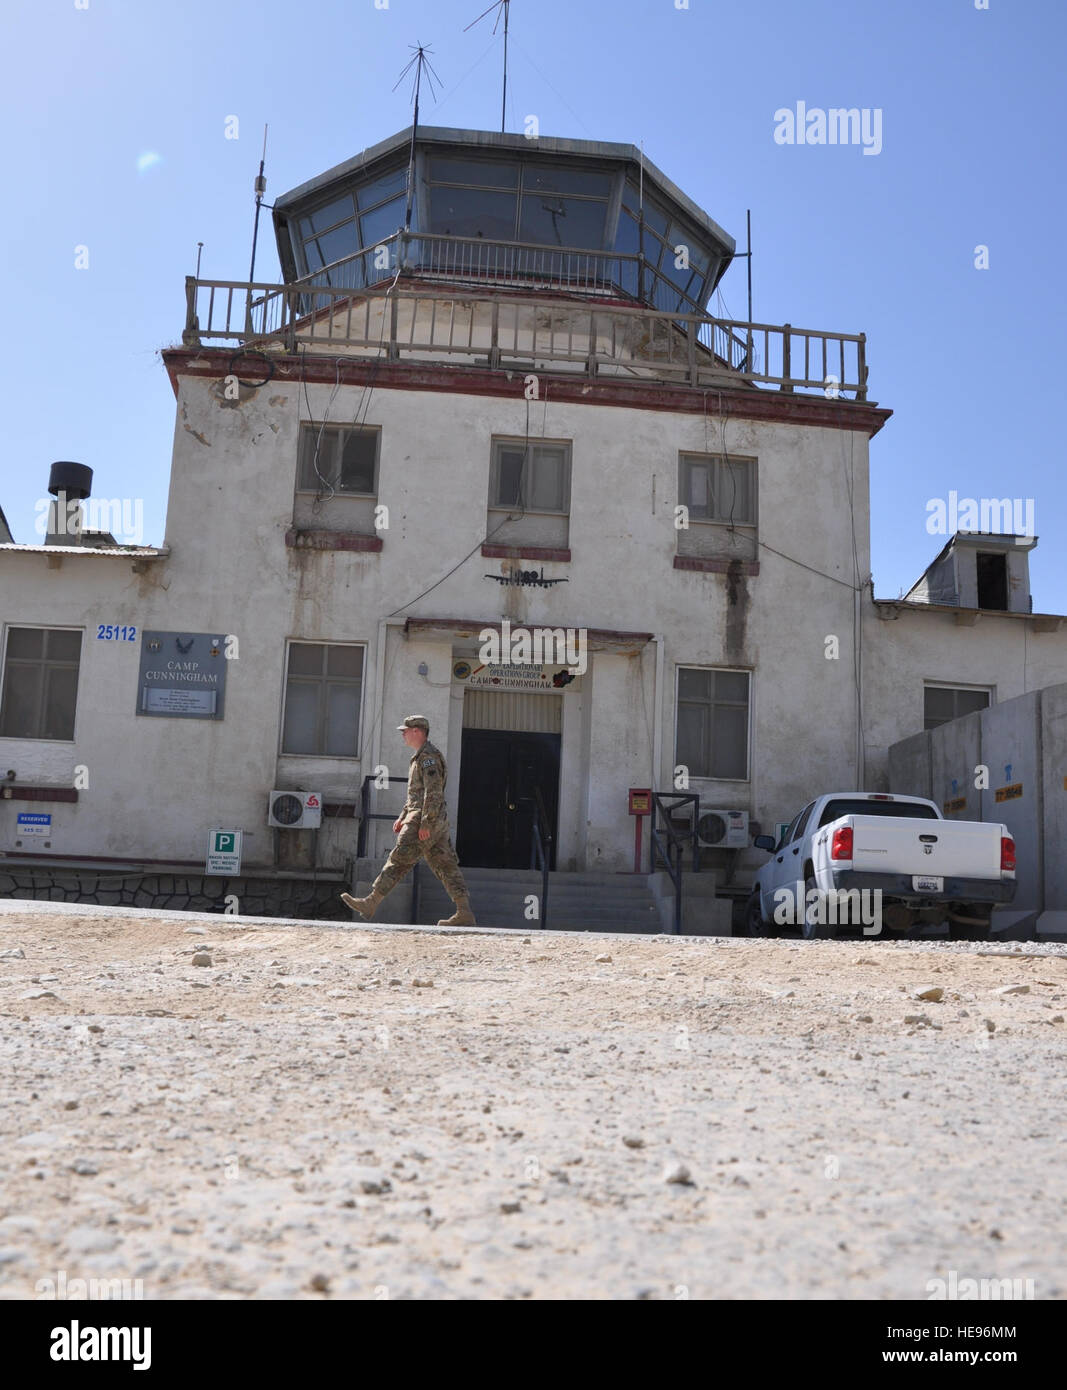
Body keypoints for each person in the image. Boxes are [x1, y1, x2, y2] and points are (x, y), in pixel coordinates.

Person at [341, 716, 476, 926]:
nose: (403, 734)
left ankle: (371, 901)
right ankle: (464, 912)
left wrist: (425, 823)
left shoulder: (428, 757)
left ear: (418, 731)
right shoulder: (420, 757)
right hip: (431, 819)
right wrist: (403, 816)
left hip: (425, 820)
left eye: (406, 730)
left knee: (399, 859)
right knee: (446, 865)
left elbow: (433, 793)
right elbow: (416, 794)